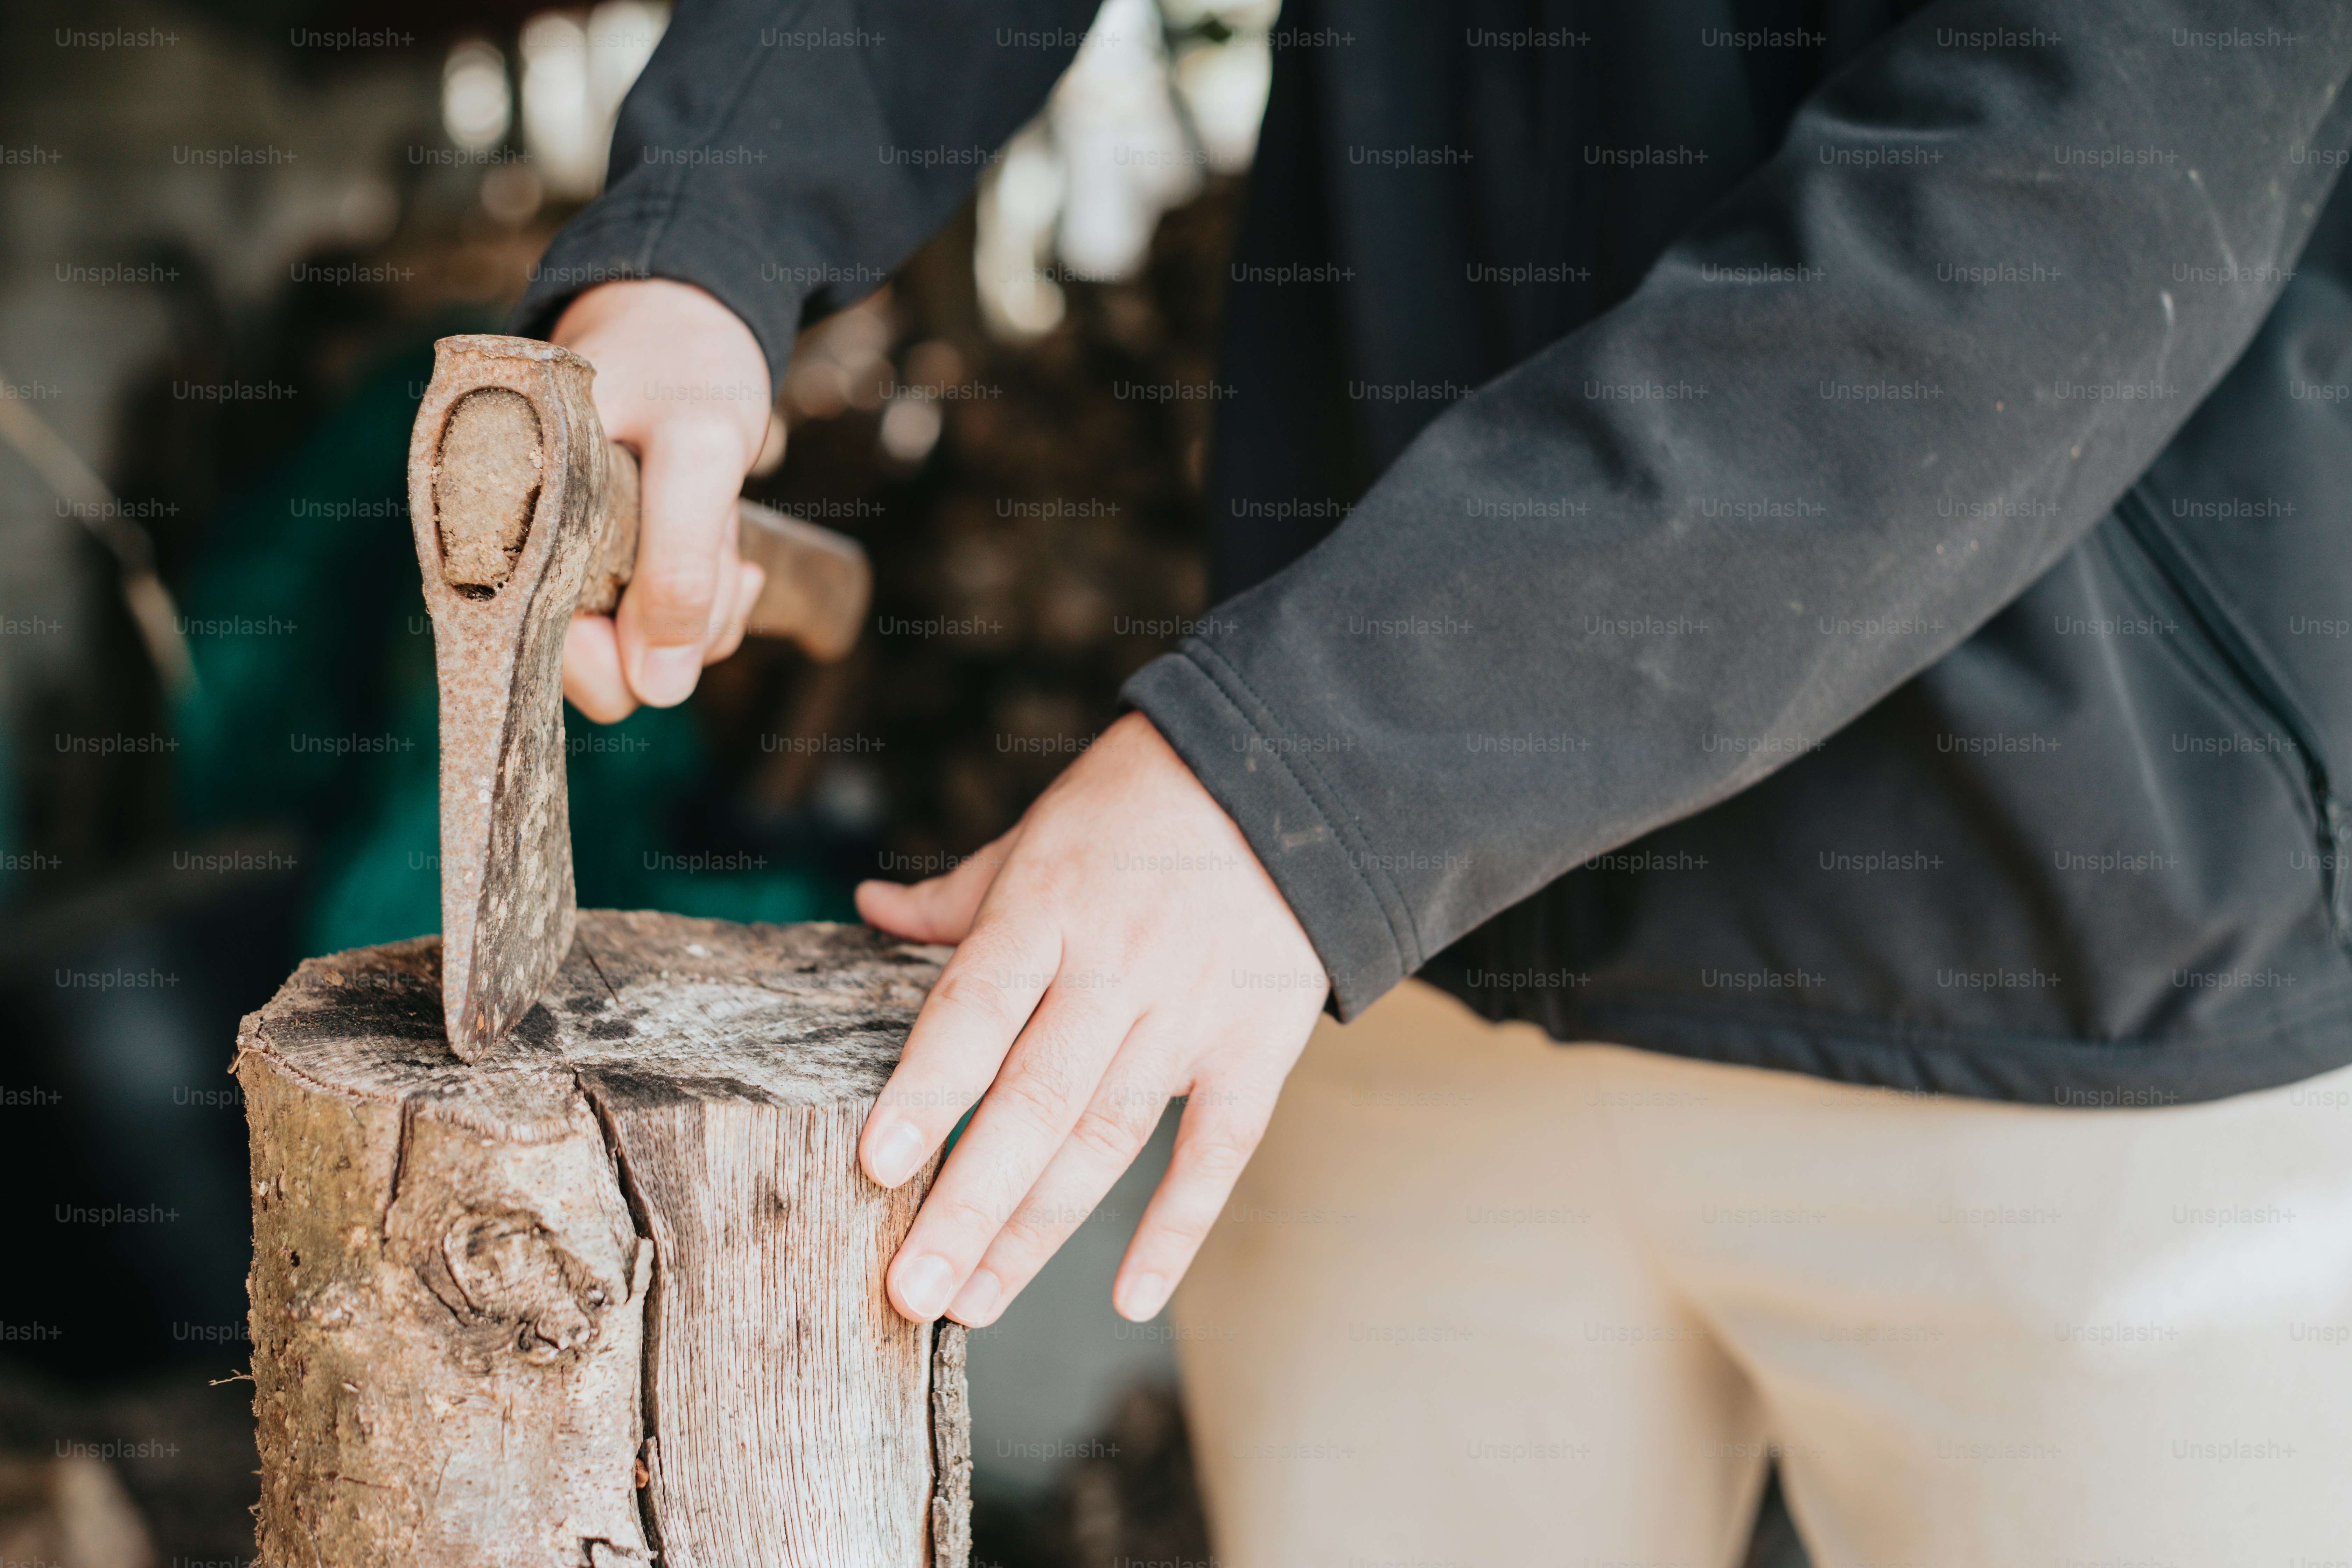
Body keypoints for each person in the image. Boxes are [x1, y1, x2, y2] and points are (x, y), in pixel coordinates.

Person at [515, 2, 2352, 1560]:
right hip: (1404, 986)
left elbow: (2075, 172)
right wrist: (701, 242)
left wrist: (1318, 765)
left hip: (2073, 984)